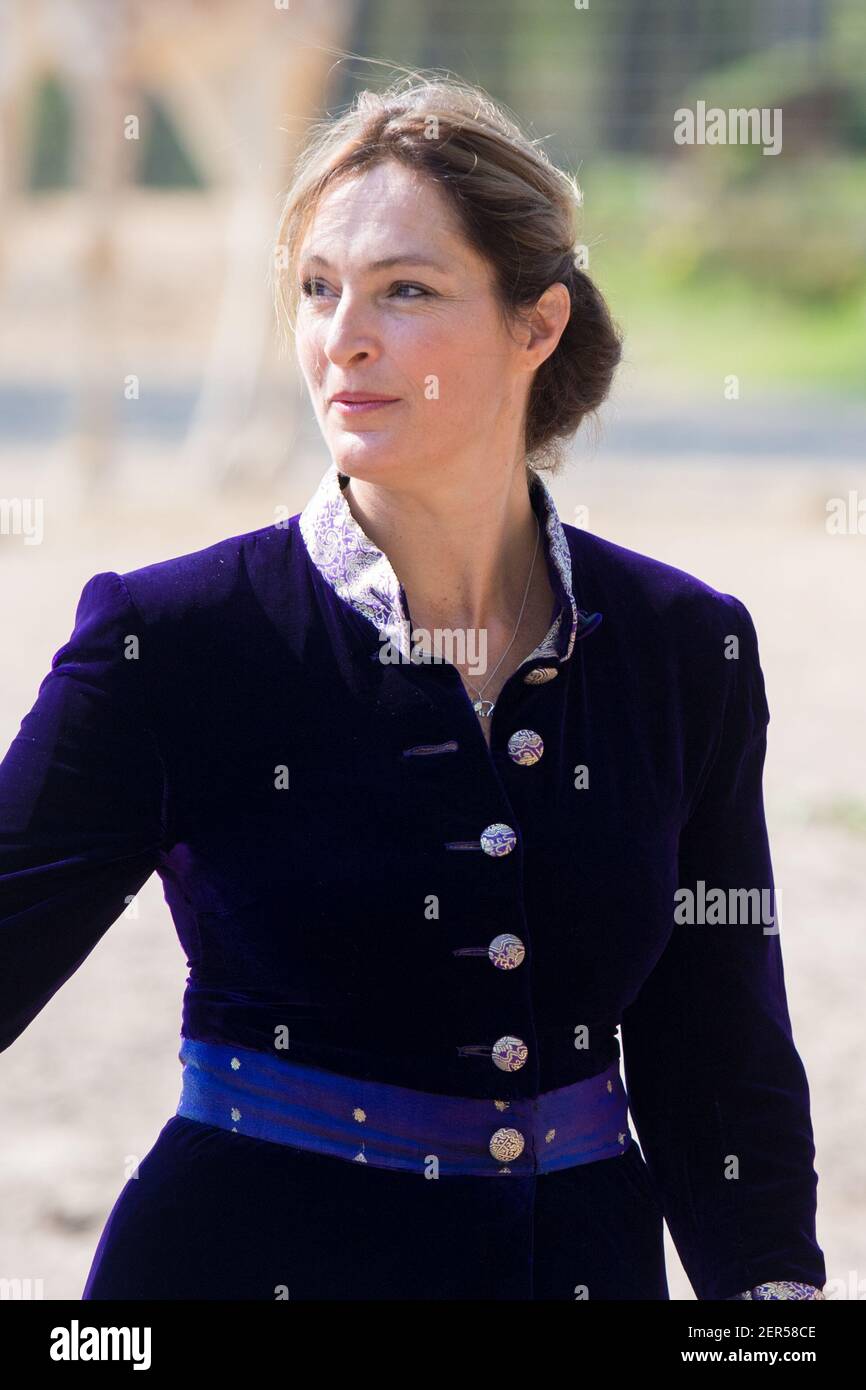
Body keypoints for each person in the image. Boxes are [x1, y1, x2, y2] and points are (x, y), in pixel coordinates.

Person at [0, 73, 826, 1301]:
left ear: (534, 326)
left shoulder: (678, 645)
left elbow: (717, 1041)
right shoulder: (173, 640)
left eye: (406, 290)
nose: (345, 336)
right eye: (318, 290)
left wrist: (768, 1306)